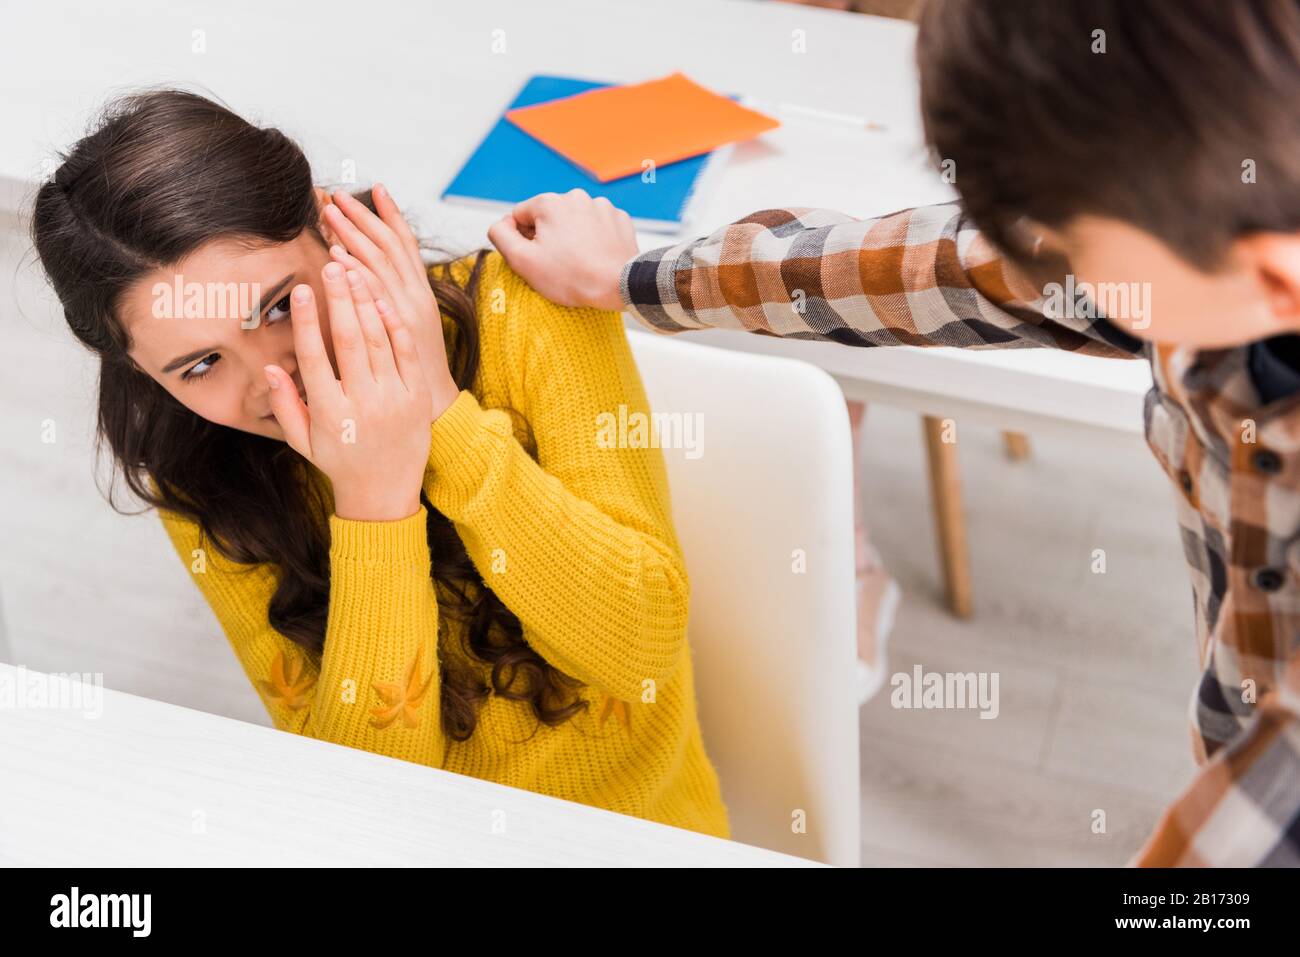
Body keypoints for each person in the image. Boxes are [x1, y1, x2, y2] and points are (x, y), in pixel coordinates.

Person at [486, 0, 1300, 865]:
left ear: (1271, 280)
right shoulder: (1215, 222)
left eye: (1069, 261)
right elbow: (941, 270)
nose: (1043, 276)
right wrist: (636, 277)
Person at [29, 89, 730, 839]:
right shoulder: (197, 469)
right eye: (201, 364)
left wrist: (439, 414)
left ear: (335, 229)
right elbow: (362, 808)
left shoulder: (527, 314)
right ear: (142, 371)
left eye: (275, 307)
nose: (277, 377)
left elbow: (640, 650)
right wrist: (374, 500)